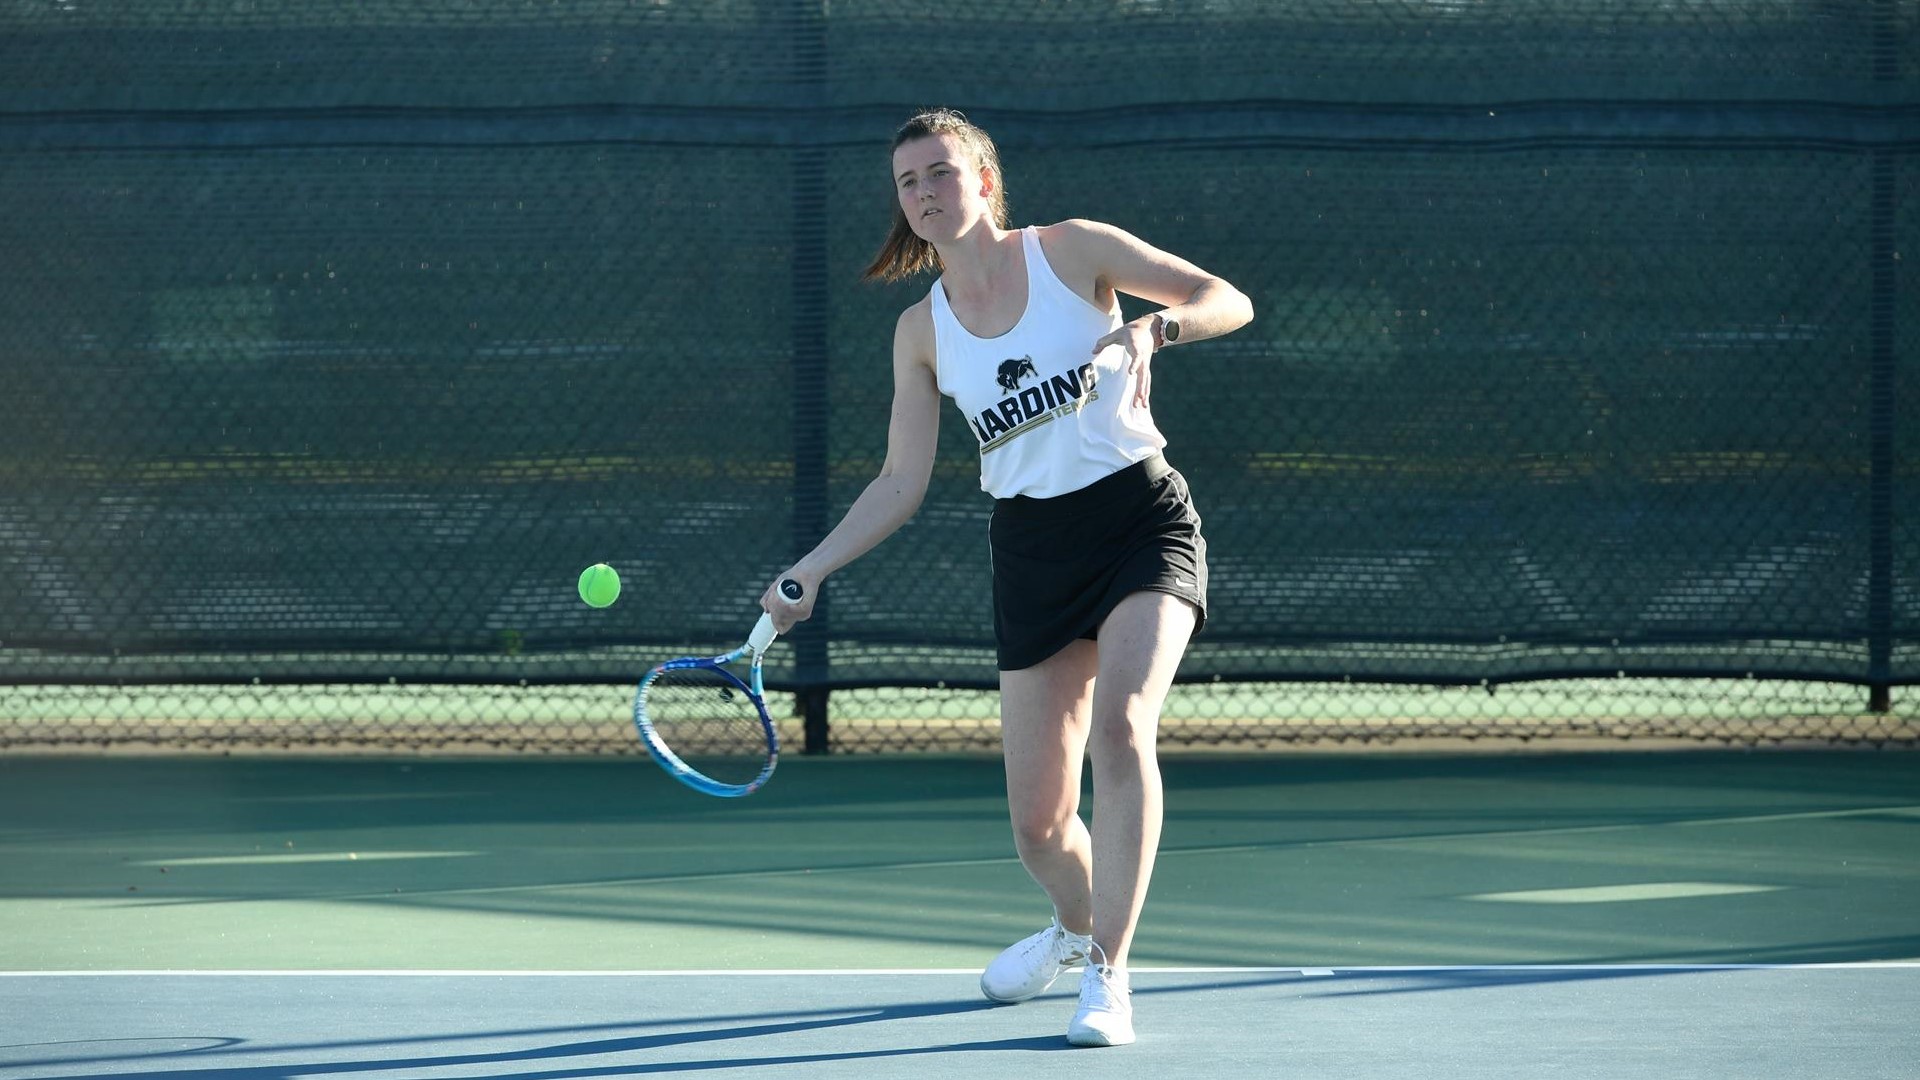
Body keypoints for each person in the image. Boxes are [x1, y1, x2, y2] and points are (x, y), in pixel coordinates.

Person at [761, 108, 1253, 1048]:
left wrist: (1159, 333)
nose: (924, 194)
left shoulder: (1074, 251)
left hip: (1140, 520)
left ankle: (1110, 974)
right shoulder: (921, 331)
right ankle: (1073, 927)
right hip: (1032, 552)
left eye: (941, 173)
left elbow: (1226, 296)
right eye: (908, 184)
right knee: (1038, 826)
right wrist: (810, 571)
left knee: (1122, 726)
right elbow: (900, 482)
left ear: (983, 179)